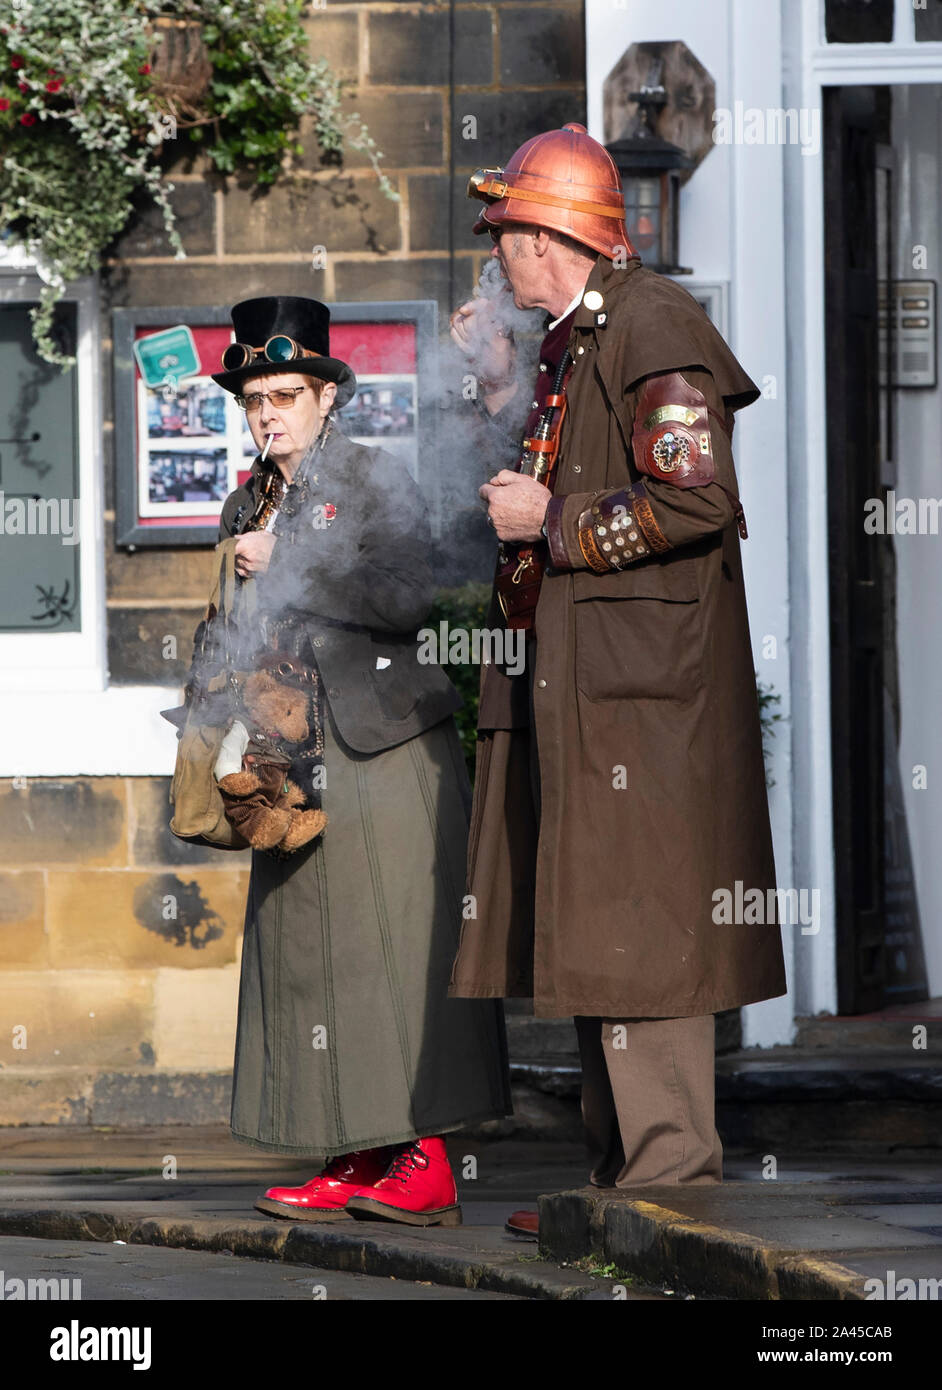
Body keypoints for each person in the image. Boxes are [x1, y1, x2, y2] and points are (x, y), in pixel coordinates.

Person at [447, 124, 787, 1230]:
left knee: (643, 931)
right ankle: (615, 1187)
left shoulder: (653, 326)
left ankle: (668, 1185)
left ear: (552, 238)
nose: (497, 254)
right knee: (599, 924)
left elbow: (698, 500)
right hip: (581, 685)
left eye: (507, 235)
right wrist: (497, 383)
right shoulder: (574, 337)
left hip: (644, 701)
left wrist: (555, 522)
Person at [202, 295, 512, 1226]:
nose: (269, 414)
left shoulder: (375, 479)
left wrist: (289, 562)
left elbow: (412, 598)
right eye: (255, 398)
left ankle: (423, 1158)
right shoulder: (242, 499)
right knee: (311, 959)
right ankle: (353, 1149)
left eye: (286, 394)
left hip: (384, 744)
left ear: (327, 397)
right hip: (286, 752)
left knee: (392, 948)